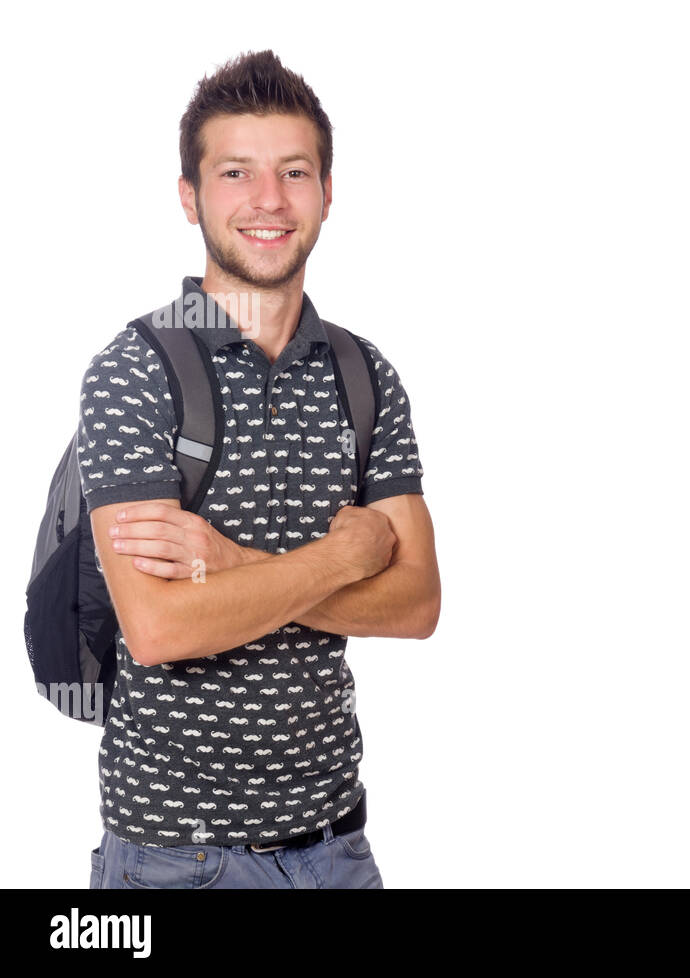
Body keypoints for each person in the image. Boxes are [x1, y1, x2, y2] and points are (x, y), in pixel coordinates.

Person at [78, 50, 440, 888]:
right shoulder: (136, 369)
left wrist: (235, 566)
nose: (269, 200)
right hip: (175, 857)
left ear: (325, 195)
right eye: (236, 171)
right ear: (190, 196)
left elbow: (419, 603)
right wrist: (344, 560)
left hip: (338, 846)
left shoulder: (365, 374)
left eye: (294, 172)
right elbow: (161, 629)